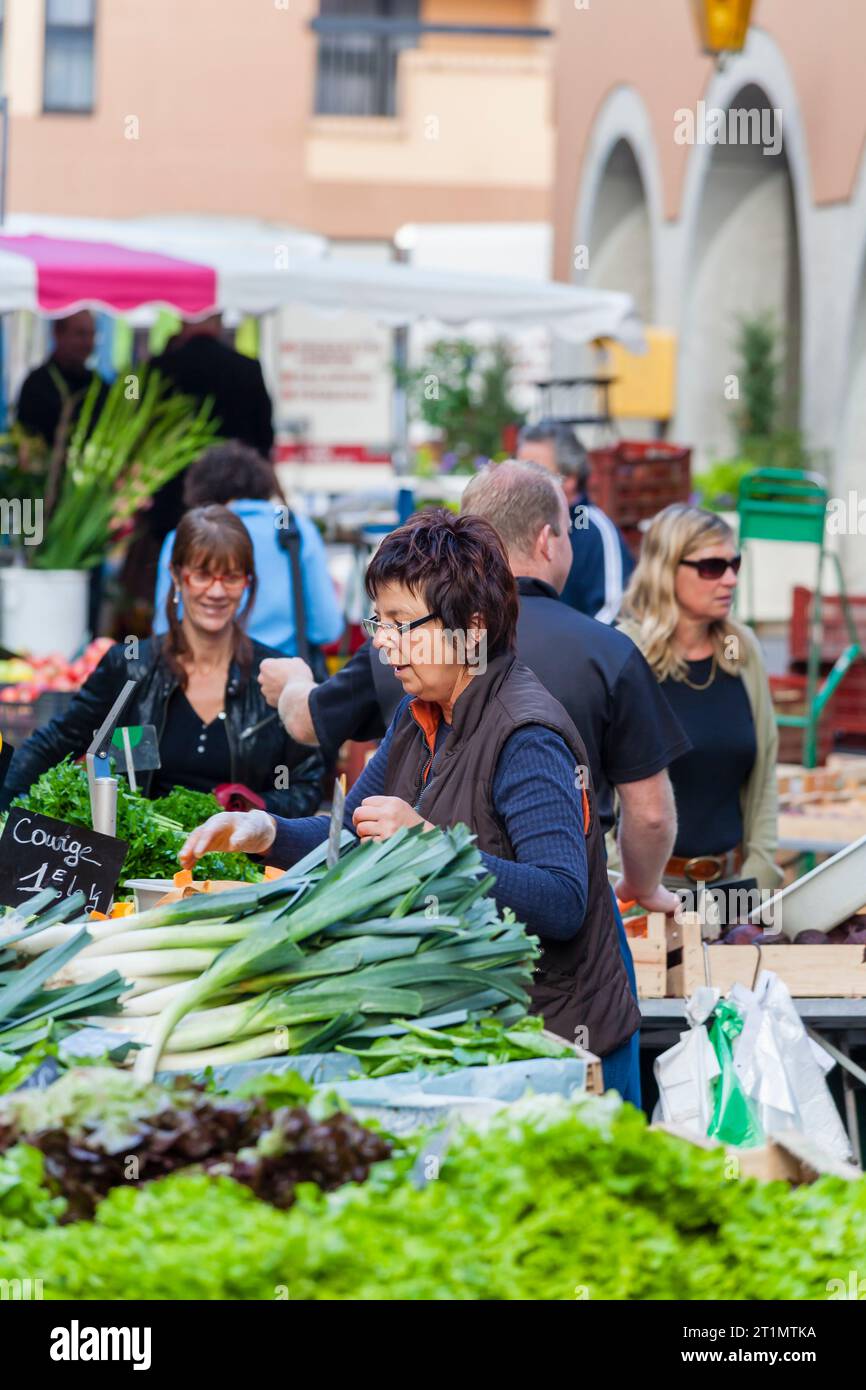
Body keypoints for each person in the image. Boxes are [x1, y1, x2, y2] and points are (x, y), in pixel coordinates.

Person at [182, 510, 641, 1098]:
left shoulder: (526, 735)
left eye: (402, 623)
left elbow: (561, 900)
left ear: (471, 629)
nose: (382, 642)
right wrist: (263, 831)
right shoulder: (417, 713)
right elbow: (349, 838)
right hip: (479, 1026)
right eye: (380, 621)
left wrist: (430, 845)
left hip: (557, 1044)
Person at [1, 506, 325, 818]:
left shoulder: (276, 674)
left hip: (240, 869)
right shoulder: (131, 669)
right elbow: (57, 743)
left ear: (247, 582)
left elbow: (306, 785)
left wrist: (247, 813)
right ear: (177, 575)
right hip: (141, 867)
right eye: (202, 575)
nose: (216, 591)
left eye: (230, 577)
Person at [617, 504, 781, 891]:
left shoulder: (738, 650)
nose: (729, 580)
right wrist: (625, 884)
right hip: (649, 894)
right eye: (711, 567)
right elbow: (595, 785)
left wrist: (760, 872)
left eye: (734, 564)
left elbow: (766, 771)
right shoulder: (625, 652)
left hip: (736, 887)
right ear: (666, 569)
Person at [152, 443, 343, 662]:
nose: (218, 592)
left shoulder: (184, 536)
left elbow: (164, 629)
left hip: (203, 679)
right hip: (282, 681)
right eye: (203, 575)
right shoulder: (297, 530)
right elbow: (326, 628)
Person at [148, 315, 275, 540]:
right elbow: (265, 437)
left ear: (182, 321)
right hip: (238, 497)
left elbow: (132, 403)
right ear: (219, 323)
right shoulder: (248, 368)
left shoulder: (155, 369)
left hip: (171, 503)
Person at [517, 420, 634, 623]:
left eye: (534, 471)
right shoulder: (514, 522)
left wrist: (568, 650)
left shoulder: (593, 529)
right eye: (519, 469)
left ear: (570, 477)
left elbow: (613, 611)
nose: (521, 480)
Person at [15, 310, 109, 450]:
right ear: (58, 334)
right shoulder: (36, 384)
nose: (88, 343)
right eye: (80, 334)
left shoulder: (98, 385)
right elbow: (24, 439)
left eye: (92, 334)